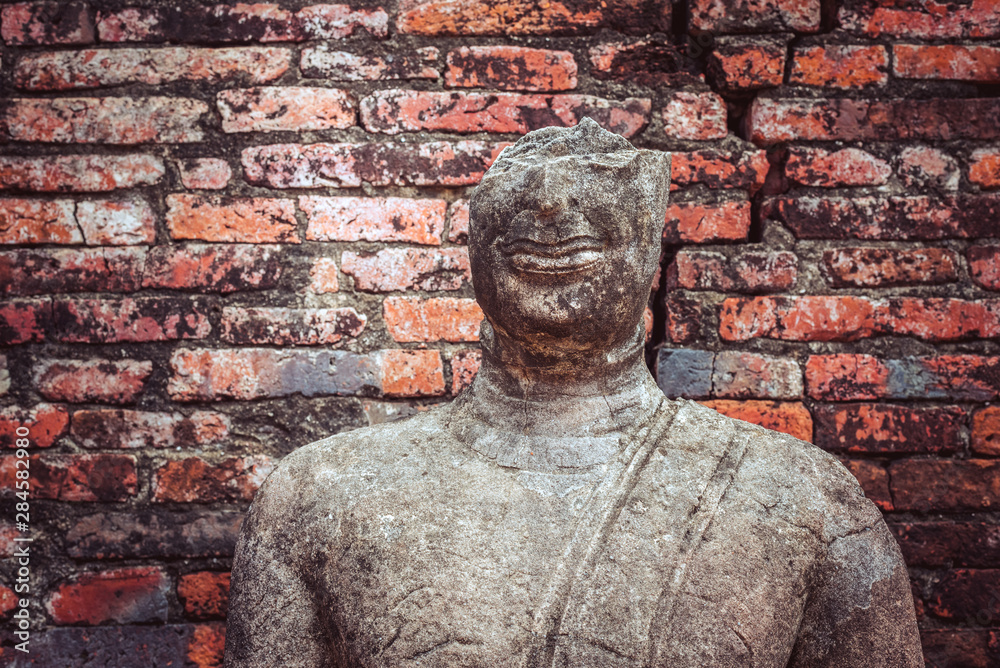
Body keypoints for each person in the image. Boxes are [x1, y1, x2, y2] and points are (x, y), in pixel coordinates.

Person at [224, 118, 923, 667]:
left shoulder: (801, 501)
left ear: (651, 245)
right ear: (474, 246)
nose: (554, 206)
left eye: (591, 188)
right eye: (523, 195)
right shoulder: (318, 496)